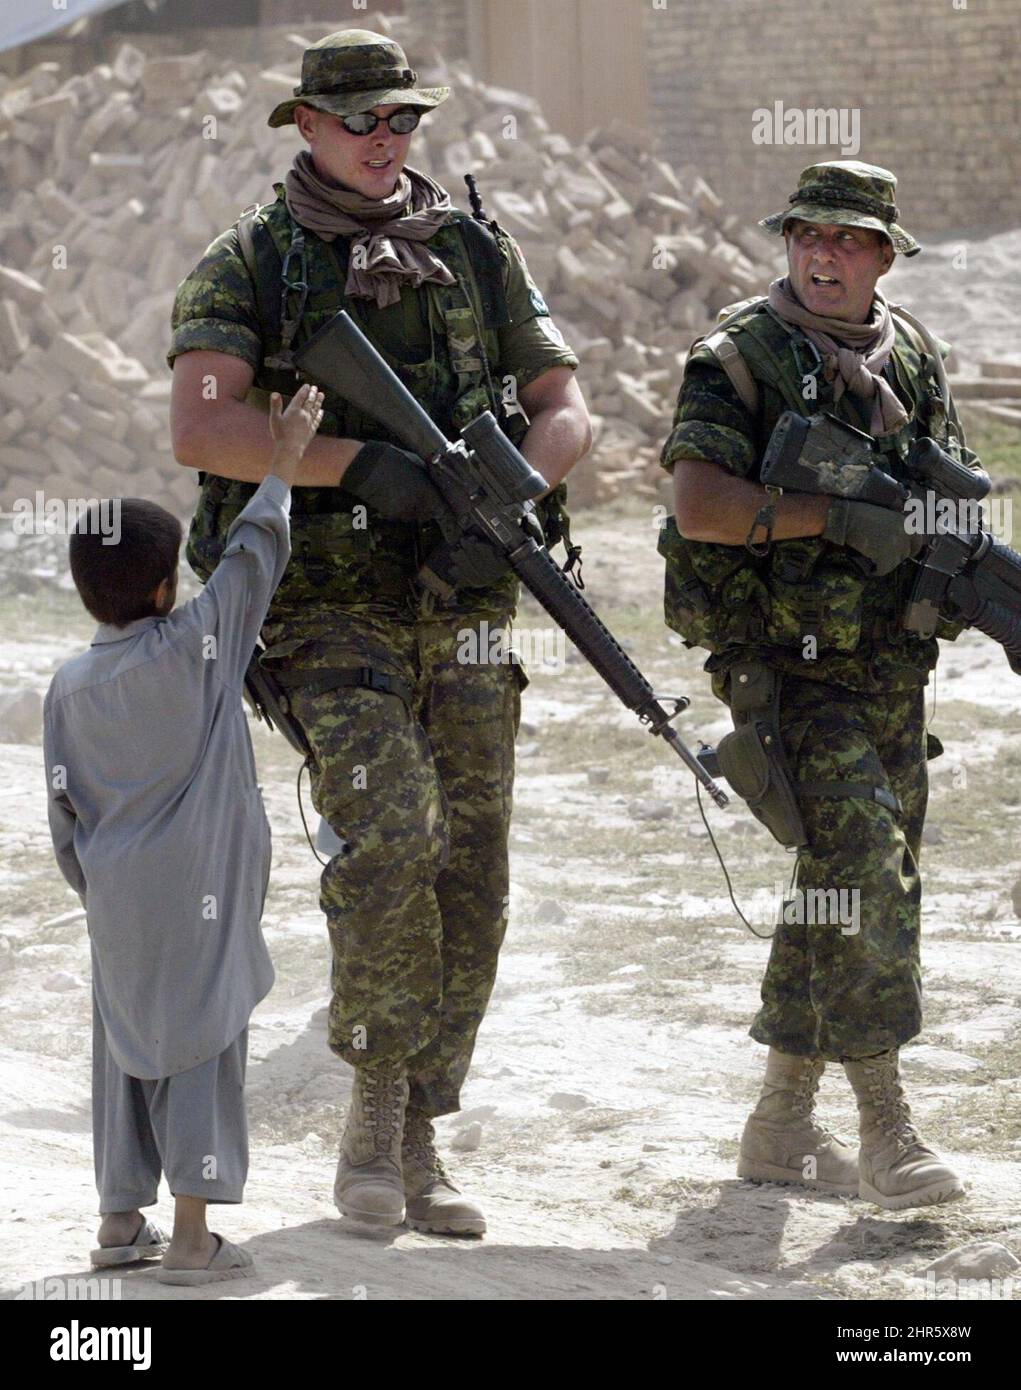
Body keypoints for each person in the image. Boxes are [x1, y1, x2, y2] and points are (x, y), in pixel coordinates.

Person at [167, 29, 591, 1234]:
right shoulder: (252, 260)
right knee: (394, 827)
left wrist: (514, 479)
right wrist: (364, 469)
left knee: (475, 861)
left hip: (463, 602)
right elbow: (203, 426)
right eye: (359, 121)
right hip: (321, 605)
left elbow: (568, 401)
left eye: (400, 119)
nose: (384, 140)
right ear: (302, 124)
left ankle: (419, 1133)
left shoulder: (471, 248)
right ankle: (370, 1113)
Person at [658, 161, 971, 1210]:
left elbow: (943, 487)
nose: (823, 255)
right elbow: (699, 504)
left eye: (847, 239)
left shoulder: (913, 355)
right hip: (790, 669)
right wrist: (834, 518)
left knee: (839, 880)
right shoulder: (738, 358)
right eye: (807, 235)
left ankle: (780, 1123)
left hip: (892, 668)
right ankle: (887, 1128)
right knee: (869, 875)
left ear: (884, 255)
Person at [43, 384, 325, 1283]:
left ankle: (120, 1223)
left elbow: (63, 814)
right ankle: (195, 1237)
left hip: (116, 898)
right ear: (167, 587)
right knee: (202, 1046)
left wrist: (102, 889)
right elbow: (254, 556)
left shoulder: (66, 689)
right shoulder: (198, 647)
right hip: (196, 898)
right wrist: (285, 457)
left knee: (122, 1047)